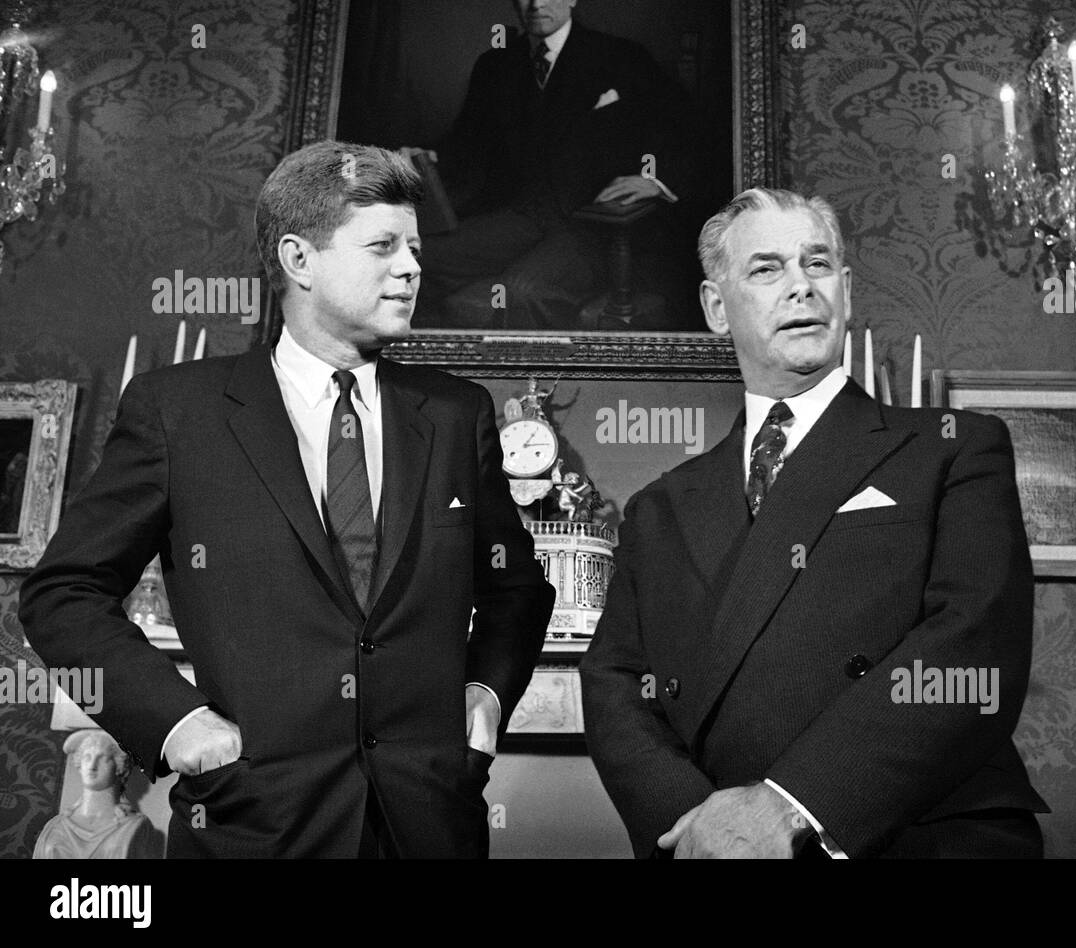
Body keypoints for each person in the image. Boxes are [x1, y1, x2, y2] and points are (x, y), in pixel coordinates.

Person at [20, 141, 555, 858]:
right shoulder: (180, 413)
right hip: (251, 826)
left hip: (431, 826)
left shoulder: (457, 414)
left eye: (416, 249)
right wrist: (178, 726)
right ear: (298, 260)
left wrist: (486, 699)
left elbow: (516, 590)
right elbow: (63, 592)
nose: (412, 268)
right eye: (383, 246)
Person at [579, 188, 1050, 858]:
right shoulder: (660, 506)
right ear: (717, 307)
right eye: (766, 269)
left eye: (818, 264)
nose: (801, 286)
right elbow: (614, 684)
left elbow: (971, 646)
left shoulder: (954, 447)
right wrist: (697, 828)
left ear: (847, 292)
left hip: (923, 838)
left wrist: (794, 804)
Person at [416, 0, 693, 329]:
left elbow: (687, 132)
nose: (536, 3)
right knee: (418, 259)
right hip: (517, 217)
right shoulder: (496, 64)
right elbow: (465, 144)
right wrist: (423, 158)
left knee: (524, 292)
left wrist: (656, 180)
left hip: (593, 226)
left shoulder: (621, 56)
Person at [34, 729, 163, 859]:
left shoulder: (135, 826)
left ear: (119, 766)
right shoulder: (55, 827)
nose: (92, 766)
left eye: (103, 758)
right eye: (87, 757)